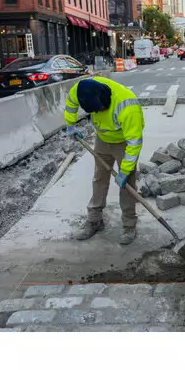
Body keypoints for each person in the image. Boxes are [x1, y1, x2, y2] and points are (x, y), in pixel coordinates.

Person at [64, 77, 145, 245]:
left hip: (123, 142)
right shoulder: (81, 89)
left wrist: (125, 170)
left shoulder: (128, 107)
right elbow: (71, 103)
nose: (99, 113)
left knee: (127, 184)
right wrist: (70, 124)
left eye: (100, 109)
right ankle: (94, 220)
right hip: (102, 139)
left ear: (105, 98)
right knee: (99, 178)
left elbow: (134, 142)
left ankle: (129, 225)